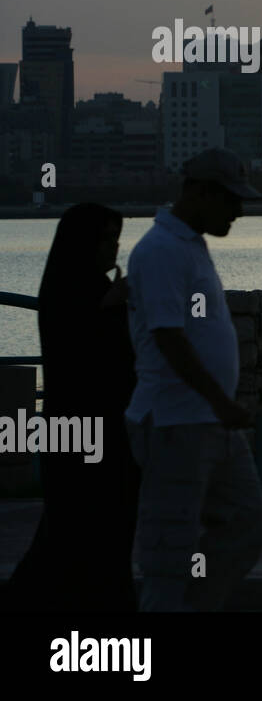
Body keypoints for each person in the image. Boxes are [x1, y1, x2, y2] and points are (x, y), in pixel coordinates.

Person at [124, 148, 262, 610]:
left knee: (248, 527)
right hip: (174, 424)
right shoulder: (161, 250)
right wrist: (220, 401)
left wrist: (218, 408)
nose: (240, 211)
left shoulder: (188, 245)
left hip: (207, 423)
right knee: (169, 557)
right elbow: (169, 338)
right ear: (201, 193)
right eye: (232, 200)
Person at [6, 204, 139, 612]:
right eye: (107, 240)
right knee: (87, 532)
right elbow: (92, 353)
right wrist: (116, 306)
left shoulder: (74, 285)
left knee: (71, 534)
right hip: (90, 432)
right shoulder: (79, 291)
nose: (114, 249)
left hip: (79, 430)